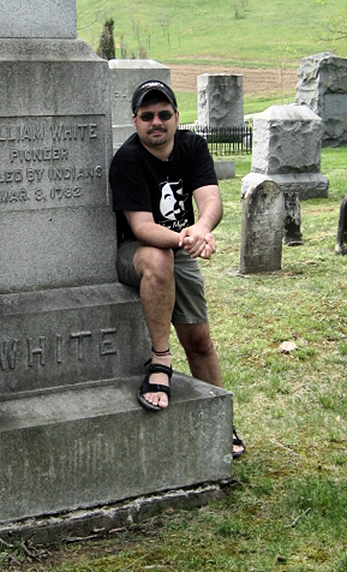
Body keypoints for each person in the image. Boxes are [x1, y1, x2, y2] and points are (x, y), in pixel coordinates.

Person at [108, 80, 245, 459]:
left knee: (200, 340)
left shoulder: (193, 147)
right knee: (158, 255)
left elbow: (211, 201)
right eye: (148, 116)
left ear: (176, 118)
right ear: (135, 120)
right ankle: (160, 359)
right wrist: (189, 239)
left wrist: (202, 229)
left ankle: (223, 420)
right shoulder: (128, 160)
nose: (157, 122)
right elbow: (143, 228)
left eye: (164, 114)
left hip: (181, 247)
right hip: (136, 252)